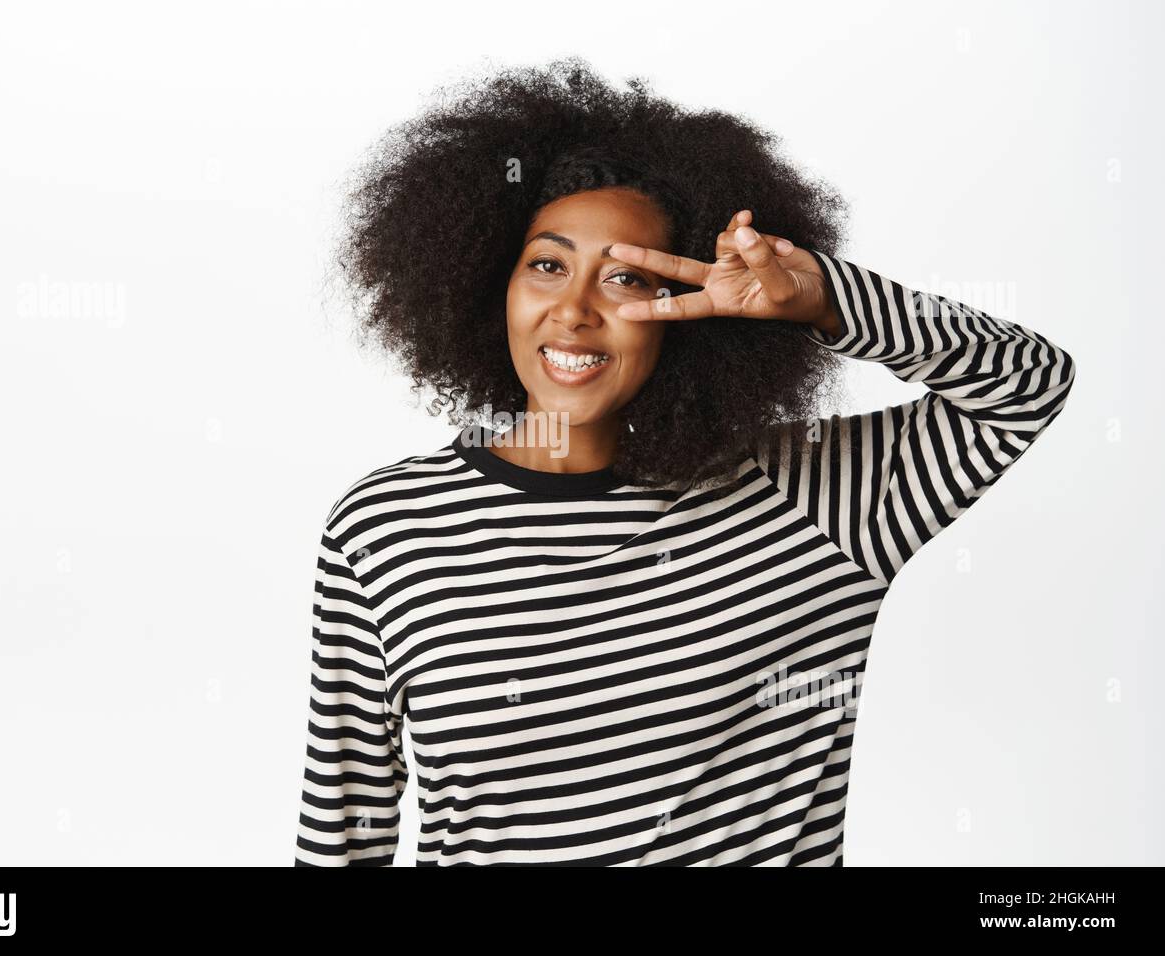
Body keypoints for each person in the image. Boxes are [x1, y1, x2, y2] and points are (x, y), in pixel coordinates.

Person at [294, 59, 1076, 866]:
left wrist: (824, 301)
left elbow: (1026, 383)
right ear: (489, 283)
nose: (574, 311)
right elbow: (345, 828)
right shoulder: (387, 529)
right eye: (548, 265)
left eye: (626, 277)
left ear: (684, 316)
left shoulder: (809, 498)